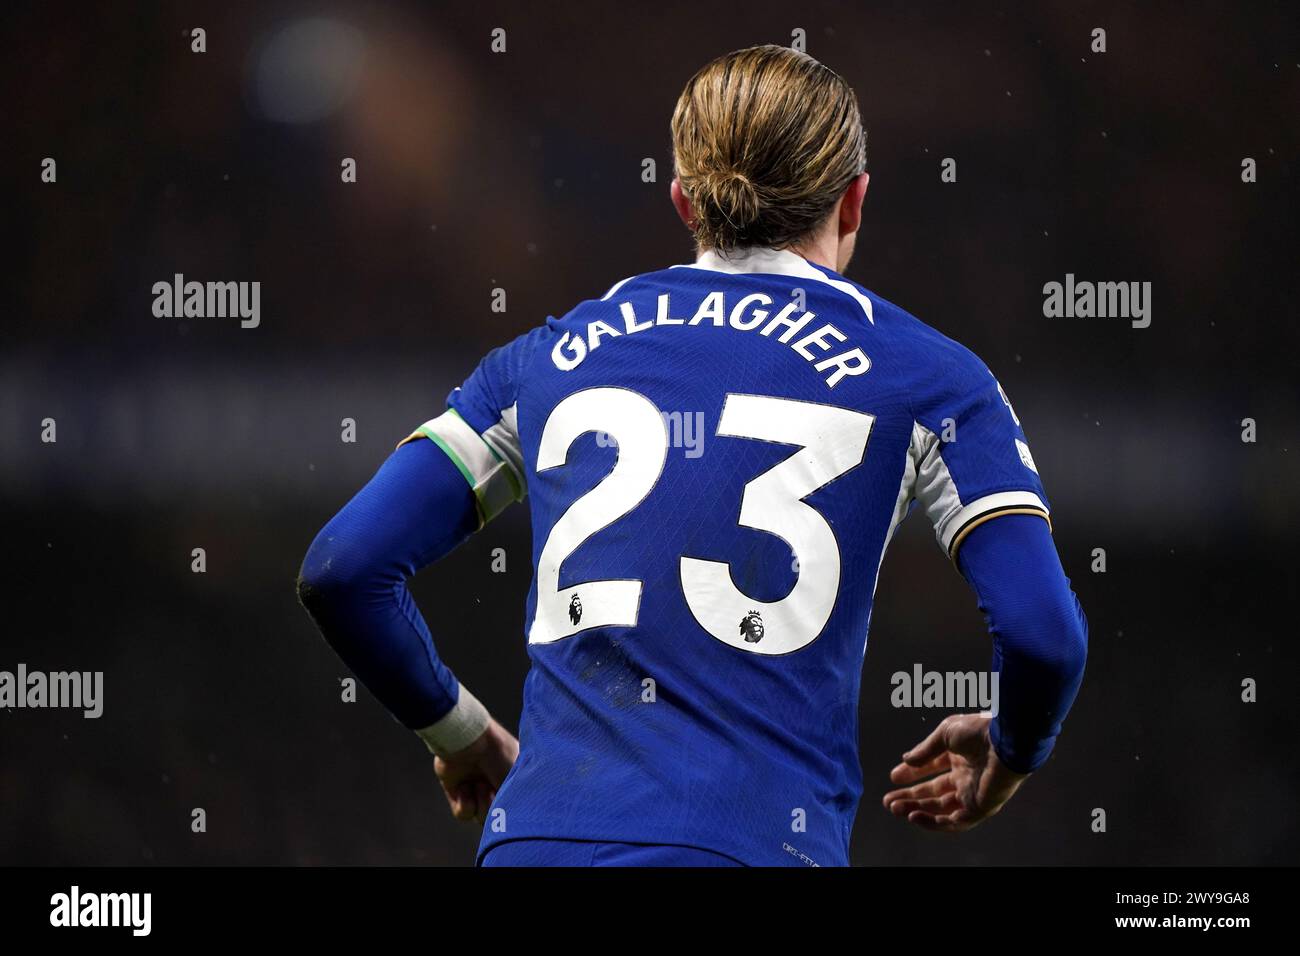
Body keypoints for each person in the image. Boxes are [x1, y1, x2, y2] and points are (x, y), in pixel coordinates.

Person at [297, 44, 1088, 867]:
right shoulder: (929, 376)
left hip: (538, 843)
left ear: (683, 200)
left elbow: (344, 568)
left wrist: (461, 735)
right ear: (854, 202)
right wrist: (1012, 748)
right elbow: (1044, 637)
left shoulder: (548, 357)